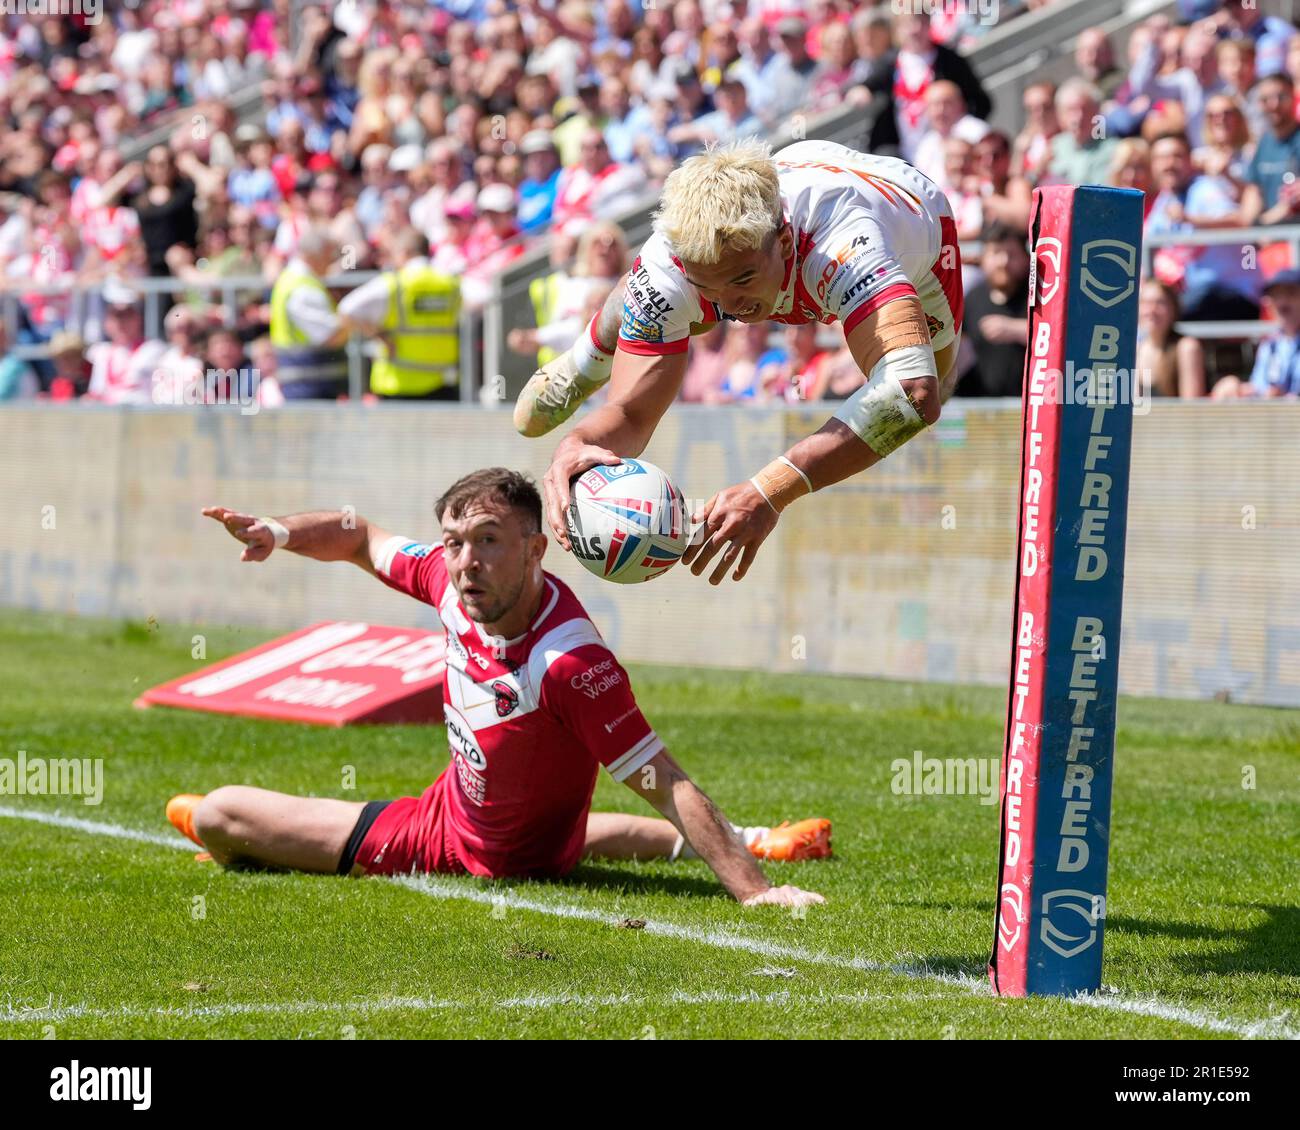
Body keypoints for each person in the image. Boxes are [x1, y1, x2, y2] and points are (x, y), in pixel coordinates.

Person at [174, 469, 830, 904]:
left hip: (450, 845)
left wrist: (755, 892)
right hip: (500, 822)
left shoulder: (570, 663)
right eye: (454, 542)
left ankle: (241, 838)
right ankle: (758, 835)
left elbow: (663, 776)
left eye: (488, 540)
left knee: (216, 812)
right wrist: (278, 534)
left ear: (535, 549)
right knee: (564, 832)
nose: (466, 562)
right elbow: (357, 536)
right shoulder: (449, 578)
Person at [516, 137, 964, 586]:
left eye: (742, 279)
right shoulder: (672, 261)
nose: (732, 308)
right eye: (709, 287)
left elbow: (912, 394)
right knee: (658, 294)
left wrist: (769, 492)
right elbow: (632, 414)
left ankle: (590, 354)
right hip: (780, 186)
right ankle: (585, 360)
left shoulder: (846, 241)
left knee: (928, 390)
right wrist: (576, 443)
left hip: (913, 216)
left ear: (784, 242)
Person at [338, 227, 461, 401]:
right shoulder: (450, 282)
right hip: (443, 384)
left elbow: (346, 309)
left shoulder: (394, 283)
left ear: (405, 252)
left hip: (398, 387)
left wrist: (377, 334)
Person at [956, 222, 1029, 398]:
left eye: (1012, 254)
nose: (1003, 262)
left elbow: (1056, 337)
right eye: (996, 253)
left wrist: (1016, 329)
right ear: (982, 258)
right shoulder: (974, 298)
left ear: (1026, 258)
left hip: (1028, 406)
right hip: (984, 412)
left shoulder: (1038, 297)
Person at [1211, 267, 1300, 398]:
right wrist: (1235, 387)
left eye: (1290, 293)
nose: (1282, 303)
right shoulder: (1270, 345)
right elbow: (1259, 388)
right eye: (1275, 296)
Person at [1135, 279, 1205, 400]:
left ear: (1174, 308)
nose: (1152, 310)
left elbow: (1191, 406)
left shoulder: (1187, 347)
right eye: (1145, 303)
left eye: (1160, 303)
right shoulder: (1135, 349)